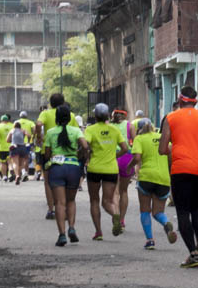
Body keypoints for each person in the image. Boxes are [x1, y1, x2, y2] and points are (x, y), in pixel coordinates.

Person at [159, 86, 198, 269]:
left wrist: (175, 149)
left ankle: (193, 254)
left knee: (183, 212)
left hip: (181, 169)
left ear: (179, 101)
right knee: (196, 208)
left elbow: (162, 149)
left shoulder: (171, 118)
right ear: (195, 101)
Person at [43, 104, 88, 247]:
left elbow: (47, 154)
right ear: (69, 118)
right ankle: (72, 228)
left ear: (56, 118)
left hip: (57, 168)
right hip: (73, 168)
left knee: (59, 203)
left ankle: (62, 235)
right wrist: (81, 156)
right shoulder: (76, 131)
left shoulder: (50, 132)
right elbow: (85, 146)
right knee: (71, 201)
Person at [83, 103, 129, 239]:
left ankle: (98, 232)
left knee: (94, 201)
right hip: (111, 169)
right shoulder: (114, 130)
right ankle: (116, 216)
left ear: (95, 116)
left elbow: (85, 145)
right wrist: (115, 156)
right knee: (107, 201)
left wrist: (88, 154)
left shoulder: (90, 130)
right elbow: (125, 148)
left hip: (95, 168)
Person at [130, 118, 176, 249]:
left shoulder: (139, 139)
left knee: (145, 210)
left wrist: (129, 166)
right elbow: (171, 155)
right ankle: (166, 223)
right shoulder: (162, 137)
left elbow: (137, 158)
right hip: (163, 178)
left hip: (146, 178)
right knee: (158, 212)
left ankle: (150, 240)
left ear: (139, 129)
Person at [35, 95, 64, 219]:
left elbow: (38, 124)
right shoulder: (69, 114)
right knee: (64, 180)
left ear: (50, 103)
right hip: (65, 151)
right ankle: (64, 208)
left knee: (48, 181)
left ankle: (51, 210)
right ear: (63, 103)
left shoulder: (45, 114)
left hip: (48, 150)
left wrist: (39, 137)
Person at [113, 109, 136, 231]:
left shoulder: (109, 126)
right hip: (126, 157)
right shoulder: (129, 125)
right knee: (124, 191)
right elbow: (136, 142)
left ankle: (115, 217)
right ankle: (122, 220)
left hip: (113, 157)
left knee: (115, 192)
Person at [8, 117, 31, 184]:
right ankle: (21, 174)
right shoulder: (23, 130)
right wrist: (28, 141)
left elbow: (7, 140)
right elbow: (29, 135)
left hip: (15, 147)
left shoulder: (12, 130)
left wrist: (11, 140)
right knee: (20, 164)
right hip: (22, 147)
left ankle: (17, 175)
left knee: (15, 163)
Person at [0, 114, 13, 180]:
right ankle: (11, 172)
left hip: (1, 147)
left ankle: (4, 176)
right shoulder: (12, 126)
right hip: (11, 147)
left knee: (2, 162)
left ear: (1, 120)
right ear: (8, 120)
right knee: (10, 161)